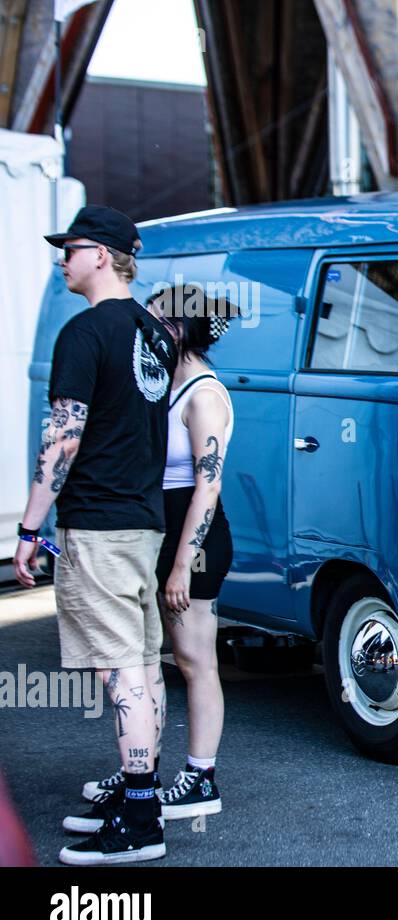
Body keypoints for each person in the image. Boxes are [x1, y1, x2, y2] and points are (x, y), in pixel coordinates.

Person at [12, 205, 176, 863]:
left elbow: (64, 437)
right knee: (142, 664)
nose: (62, 260)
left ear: (102, 255)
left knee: (124, 670)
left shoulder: (85, 333)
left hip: (101, 526)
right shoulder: (155, 335)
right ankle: (141, 793)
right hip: (142, 520)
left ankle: (140, 819)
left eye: (70, 249)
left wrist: (30, 526)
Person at [79, 285, 236, 821]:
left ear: (180, 328)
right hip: (155, 527)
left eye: (156, 322)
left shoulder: (204, 394)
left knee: (195, 662)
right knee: (150, 662)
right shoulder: (162, 383)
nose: (146, 331)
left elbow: (207, 488)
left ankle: (201, 777)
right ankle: (140, 772)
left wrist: (181, 565)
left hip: (194, 538)